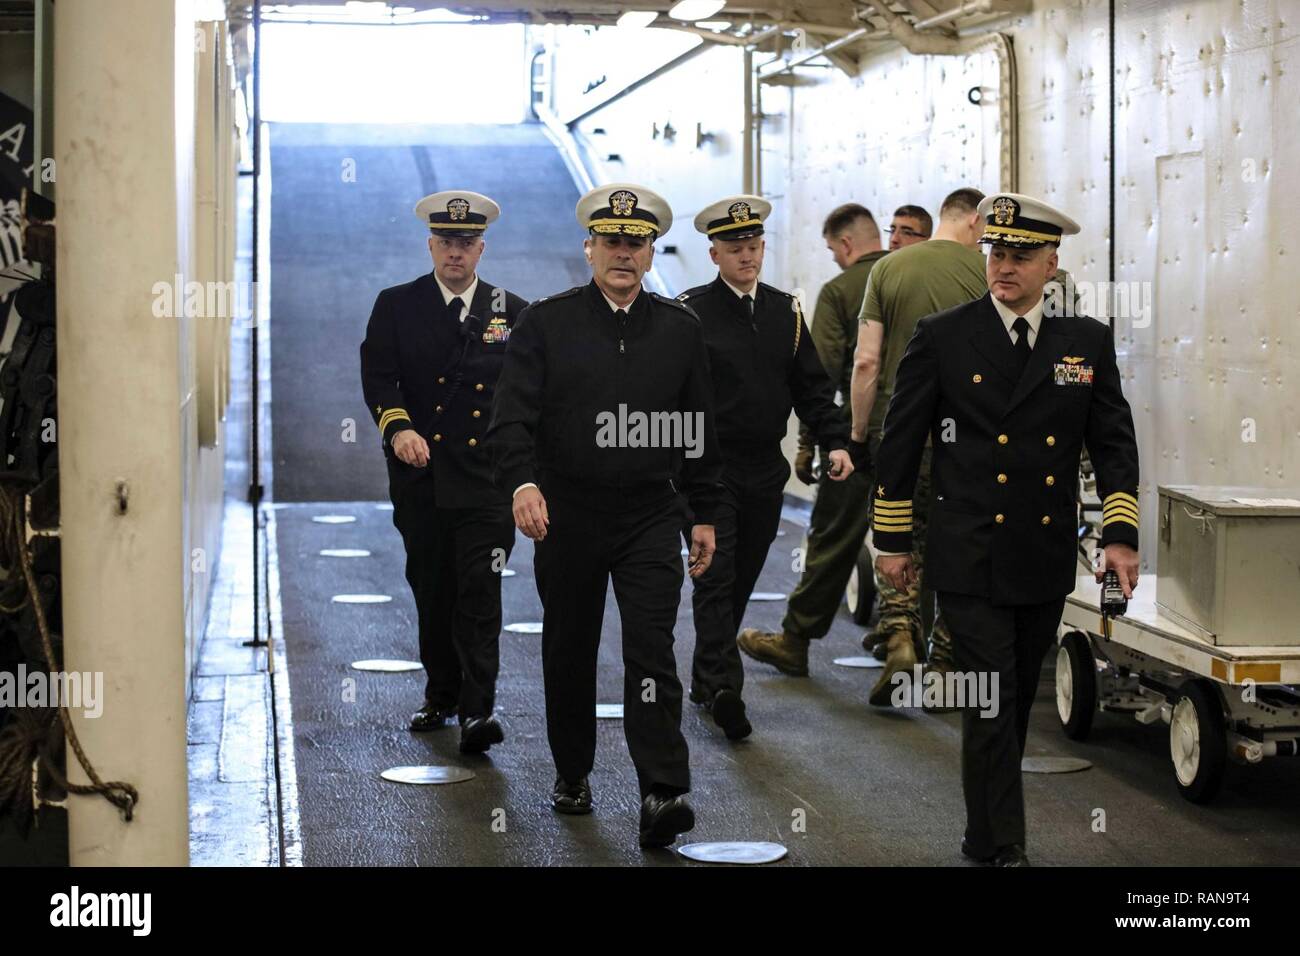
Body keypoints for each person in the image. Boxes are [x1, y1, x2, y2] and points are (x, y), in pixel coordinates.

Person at [872, 193, 1140, 866]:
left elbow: (1112, 443)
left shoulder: (1084, 343)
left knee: (1012, 700)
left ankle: (981, 833)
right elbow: (900, 441)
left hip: (1042, 554)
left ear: (1053, 262)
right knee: (990, 695)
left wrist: (1119, 535)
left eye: (1021, 256)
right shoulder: (945, 335)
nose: (1005, 267)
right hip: (969, 555)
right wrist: (893, 541)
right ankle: (1006, 848)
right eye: (996, 253)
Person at [487, 183, 722, 849]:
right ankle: (572, 770)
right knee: (570, 647)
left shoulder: (680, 330)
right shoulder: (547, 323)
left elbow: (698, 429)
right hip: (568, 513)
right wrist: (523, 484)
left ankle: (661, 790)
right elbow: (511, 418)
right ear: (588, 247)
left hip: (649, 512)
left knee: (651, 651)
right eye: (611, 240)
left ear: (650, 254)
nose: (623, 252)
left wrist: (703, 512)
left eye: (636, 242)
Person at [677, 195, 851, 739]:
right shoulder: (689, 313)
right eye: (735, 249)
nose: (747, 257)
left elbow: (812, 389)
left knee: (742, 575)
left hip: (763, 471)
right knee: (716, 573)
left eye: (753, 248)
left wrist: (836, 442)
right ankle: (726, 687)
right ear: (714, 254)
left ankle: (708, 675)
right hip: (708, 470)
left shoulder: (785, 312)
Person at [359, 190, 527, 754]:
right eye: (446, 243)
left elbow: (524, 395)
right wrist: (398, 428)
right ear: (432, 245)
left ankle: (479, 711)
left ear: (482, 248)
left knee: (480, 594)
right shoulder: (396, 305)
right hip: (422, 477)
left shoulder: (513, 311)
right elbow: (380, 379)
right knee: (433, 589)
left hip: (485, 482)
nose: (456, 253)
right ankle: (442, 692)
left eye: (466, 244)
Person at [737, 203, 885, 677]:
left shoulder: (842, 289)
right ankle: (917, 646)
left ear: (845, 245)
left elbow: (817, 377)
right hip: (926, 439)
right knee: (918, 540)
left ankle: (796, 639)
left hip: (860, 434)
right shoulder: (912, 272)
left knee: (832, 537)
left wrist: (810, 446)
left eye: (833, 251)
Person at [852, 188, 987, 705]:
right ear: (976, 223)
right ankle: (946, 668)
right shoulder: (988, 274)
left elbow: (867, 361)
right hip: (970, 439)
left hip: (902, 430)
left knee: (895, 536)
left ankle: (901, 640)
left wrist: (859, 434)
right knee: (958, 545)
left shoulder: (888, 269)